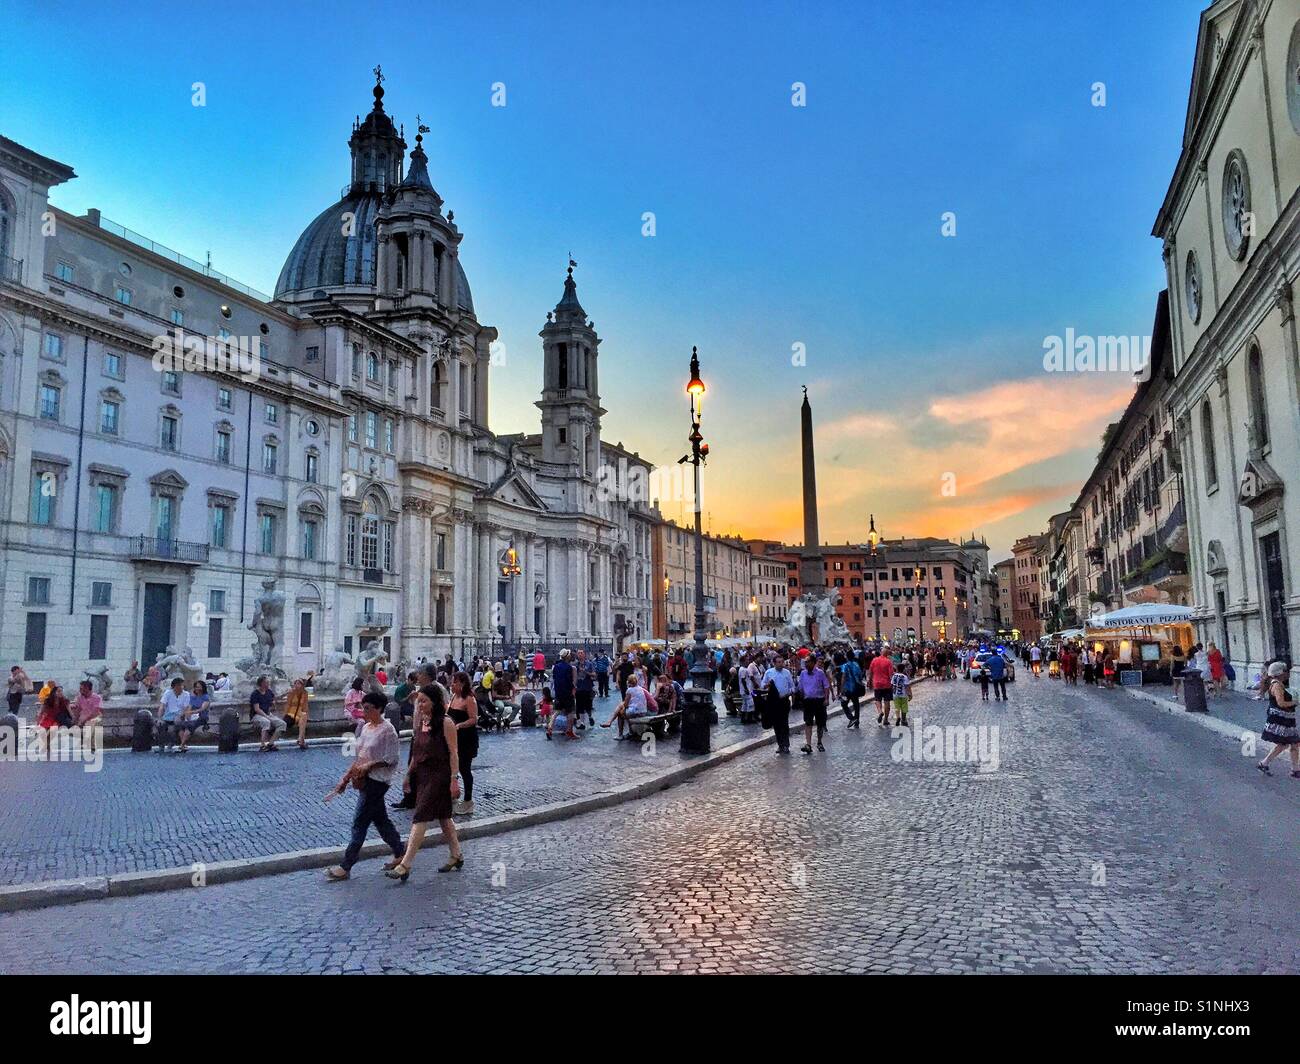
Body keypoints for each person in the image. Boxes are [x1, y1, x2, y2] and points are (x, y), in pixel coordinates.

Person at [386, 684, 464, 881]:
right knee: (444, 817)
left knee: (420, 817)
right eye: (418, 701)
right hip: (423, 774)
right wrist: (408, 775)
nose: (419, 705)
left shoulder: (446, 722)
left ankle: (406, 863)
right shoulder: (422, 721)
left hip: (440, 775)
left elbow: (454, 753)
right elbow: (417, 751)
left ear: (434, 702)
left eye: (423, 701)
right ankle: (456, 854)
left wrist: (454, 779)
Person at [325, 691, 406, 881]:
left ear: (379, 709)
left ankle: (346, 866)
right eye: (363, 707)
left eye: (368, 708)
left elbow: (392, 759)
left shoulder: (388, 731)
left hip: (378, 782)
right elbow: (359, 757)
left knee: (359, 823)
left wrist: (371, 765)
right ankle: (400, 851)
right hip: (364, 780)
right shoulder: (366, 728)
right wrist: (344, 780)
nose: (363, 711)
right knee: (380, 820)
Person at [1256, 661, 1299, 778]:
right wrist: (1295, 702)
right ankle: (1265, 763)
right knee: (1287, 743)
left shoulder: (1276, 683)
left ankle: (1295, 769)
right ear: (1280, 673)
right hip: (1282, 720)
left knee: (1290, 743)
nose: (1288, 674)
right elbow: (1281, 703)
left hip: (1284, 719)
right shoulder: (1277, 685)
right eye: (1286, 671)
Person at [447, 672, 479, 815]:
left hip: (466, 739)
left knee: (465, 769)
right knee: (452, 768)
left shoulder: (469, 699)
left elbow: (473, 719)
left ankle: (468, 801)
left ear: (462, 683)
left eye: (454, 682)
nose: (452, 684)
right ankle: (453, 796)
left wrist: (460, 725)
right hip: (454, 738)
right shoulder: (454, 697)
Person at [760, 655, 796, 755]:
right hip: (773, 702)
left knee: (784, 723)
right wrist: (767, 685)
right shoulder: (769, 672)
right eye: (778, 662)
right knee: (776, 724)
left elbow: (792, 687)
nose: (781, 664)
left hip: (784, 701)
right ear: (774, 663)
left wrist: (787, 694)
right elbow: (762, 685)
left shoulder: (787, 673)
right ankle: (780, 744)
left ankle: (786, 745)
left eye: (782, 662)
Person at [797, 654, 831, 754]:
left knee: (820, 724)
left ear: (813, 662)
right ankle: (808, 744)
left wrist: (826, 699)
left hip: (819, 701)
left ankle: (819, 742)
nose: (806, 664)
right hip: (808, 701)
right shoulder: (803, 673)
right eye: (805, 662)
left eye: (808, 662)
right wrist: (801, 697)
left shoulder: (820, 673)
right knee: (808, 723)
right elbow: (800, 687)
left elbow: (826, 686)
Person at [601, 673, 650, 740]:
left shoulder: (629, 690)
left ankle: (619, 733)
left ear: (629, 682)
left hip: (636, 713)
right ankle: (611, 722)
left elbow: (626, 704)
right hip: (643, 711)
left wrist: (623, 706)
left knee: (620, 714)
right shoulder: (640, 688)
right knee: (621, 706)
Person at [249, 675, 286, 751]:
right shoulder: (255, 694)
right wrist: (266, 716)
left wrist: (285, 694)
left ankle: (270, 743)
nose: (269, 683)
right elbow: (257, 709)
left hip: (268, 714)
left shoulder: (269, 691)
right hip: (257, 715)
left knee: (282, 724)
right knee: (266, 722)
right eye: (267, 682)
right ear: (262, 683)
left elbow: (274, 698)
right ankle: (262, 745)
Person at [177, 679, 212, 752]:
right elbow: (189, 706)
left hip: (202, 716)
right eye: (196, 687)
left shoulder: (206, 697)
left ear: (203, 688)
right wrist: (186, 713)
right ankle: (183, 744)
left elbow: (202, 709)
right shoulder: (193, 697)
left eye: (199, 687)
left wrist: (191, 712)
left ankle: (182, 744)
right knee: (181, 726)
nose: (197, 689)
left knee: (189, 726)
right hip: (193, 715)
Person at [72, 680, 104, 753]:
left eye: (81, 689)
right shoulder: (79, 698)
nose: (80, 691)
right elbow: (78, 710)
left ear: (87, 689)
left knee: (91, 723)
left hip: (95, 717)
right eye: (80, 689)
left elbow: (95, 712)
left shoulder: (97, 697)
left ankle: (89, 745)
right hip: (83, 717)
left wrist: (83, 720)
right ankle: (89, 745)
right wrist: (75, 720)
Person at [284, 676, 311, 750]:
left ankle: (300, 740)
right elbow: (288, 704)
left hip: (299, 713)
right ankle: (301, 741)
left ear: (302, 685)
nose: (297, 685)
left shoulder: (305, 693)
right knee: (304, 719)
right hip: (291, 713)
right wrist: (285, 714)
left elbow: (305, 705)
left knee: (303, 718)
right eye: (296, 683)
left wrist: (306, 713)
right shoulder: (291, 692)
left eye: (299, 683)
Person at [869, 650, 894, 726]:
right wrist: (893, 684)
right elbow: (891, 674)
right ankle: (885, 720)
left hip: (877, 684)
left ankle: (880, 712)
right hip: (886, 684)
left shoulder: (874, 660)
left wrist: (869, 681)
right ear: (887, 654)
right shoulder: (888, 662)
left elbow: (871, 672)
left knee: (877, 700)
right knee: (887, 702)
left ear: (881, 653)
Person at [839, 652, 864, 728]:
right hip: (856, 688)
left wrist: (841, 689)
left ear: (846, 657)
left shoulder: (845, 665)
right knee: (856, 705)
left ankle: (852, 718)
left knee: (844, 704)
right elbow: (860, 675)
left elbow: (843, 677)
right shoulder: (857, 665)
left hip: (848, 689)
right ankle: (857, 721)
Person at [575, 650, 596, 729]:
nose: (580, 654)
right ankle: (582, 723)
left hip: (587, 687)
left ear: (584, 654)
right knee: (580, 705)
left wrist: (586, 672)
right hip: (579, 687)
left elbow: (594, 674)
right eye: (578, 653)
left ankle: (590, 717)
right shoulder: (575, 665)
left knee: (588, 705)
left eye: (581, 653)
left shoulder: (589, 664)